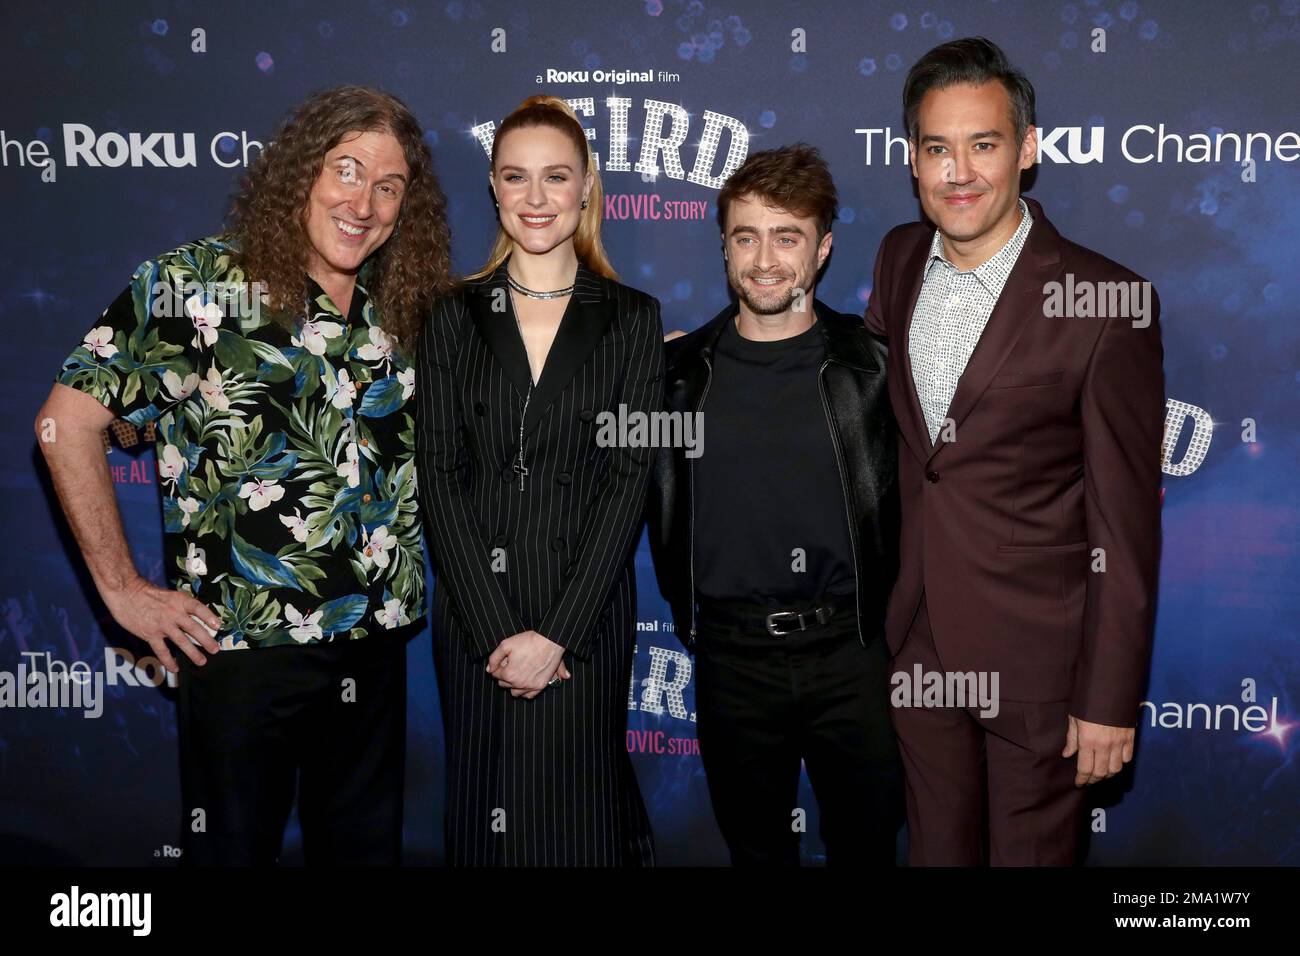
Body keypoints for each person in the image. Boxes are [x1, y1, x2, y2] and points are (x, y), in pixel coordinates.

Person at [35, 85, 453, 865]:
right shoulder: (194, 283)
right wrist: (123, 590)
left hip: (374, 647)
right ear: (301, 173)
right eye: (347, 170)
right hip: (239, 652)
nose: (364, 201)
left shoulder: (399, 308)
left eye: (389, 186)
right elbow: (66, 426)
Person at [863, 37, 1165, 865]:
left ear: (1027, 151)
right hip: (920, 647)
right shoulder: (896, 261)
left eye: (984, 144)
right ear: (913, 159)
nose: (959, 171)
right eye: (937, 148)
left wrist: (1108, 699)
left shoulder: (1108, 304)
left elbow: (1126, 521)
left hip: (1040, 664)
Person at [416, 95, 661, 866]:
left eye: (556, 177)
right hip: (474, 617)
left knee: (579, 826)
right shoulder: (451, 315)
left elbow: (630, 485)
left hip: (581, 620)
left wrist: (557, 634)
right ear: (492, 186)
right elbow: (439, 476)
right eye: (516, 177)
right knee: (487, 827)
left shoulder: (632, 318)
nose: (535, 198)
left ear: (587, 186)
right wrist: (498, 632)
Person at [647, 144, 904, 866]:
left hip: (851, 654)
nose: (765, 259)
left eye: (787, 236)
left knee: (867, 848)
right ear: (723, 247)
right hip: (731, 659)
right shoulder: (673, 377)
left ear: (822, 249)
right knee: (756, 852)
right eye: (746, 236)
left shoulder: (875, 367)